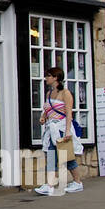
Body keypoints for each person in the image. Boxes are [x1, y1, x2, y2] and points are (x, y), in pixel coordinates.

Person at [34, 66, 82, 195]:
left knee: (67, 157)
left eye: (48, 76)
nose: (46, 78)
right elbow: (47, 110)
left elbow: (68, 113)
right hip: (52, 129)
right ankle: (49, 184)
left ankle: (77, 182)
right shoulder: (49, 94)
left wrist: (67, 131)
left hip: (61, 128)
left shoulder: (65, 93)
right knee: (51, 155)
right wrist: (43, 117)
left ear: (56, 78)